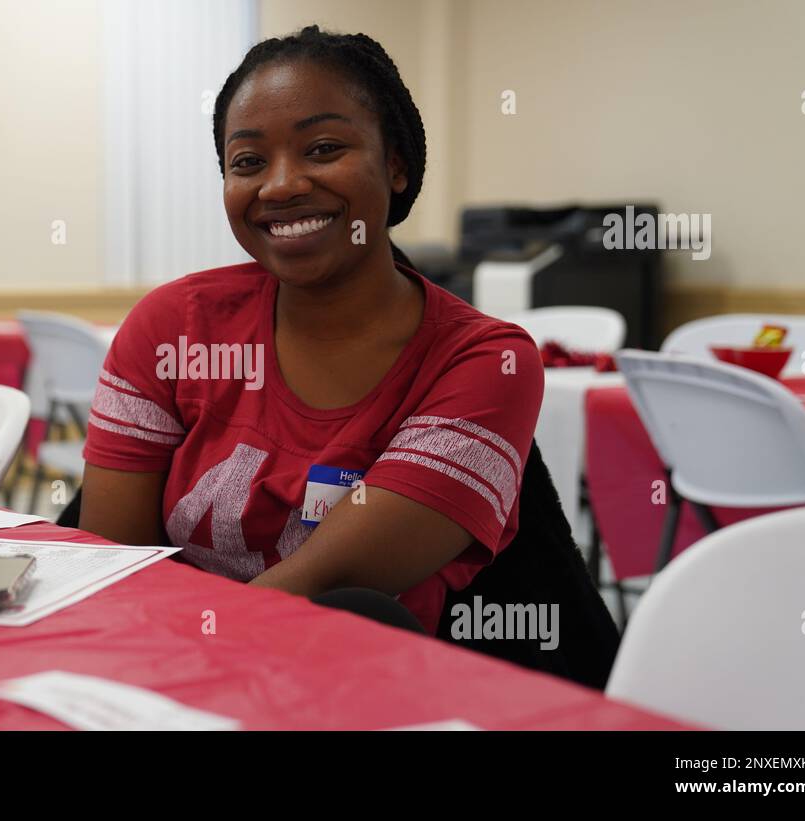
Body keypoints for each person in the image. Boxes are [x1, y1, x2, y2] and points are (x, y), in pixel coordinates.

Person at [78, 25, 543, 638]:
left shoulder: (484, 363)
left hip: (354, 692)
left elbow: (323, 586)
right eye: (248, 162)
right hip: (158, 673)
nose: (281, 185)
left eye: (323, 149)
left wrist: (182, 652)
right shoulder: (175, 327)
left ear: (396, 165)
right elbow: (113, 569)